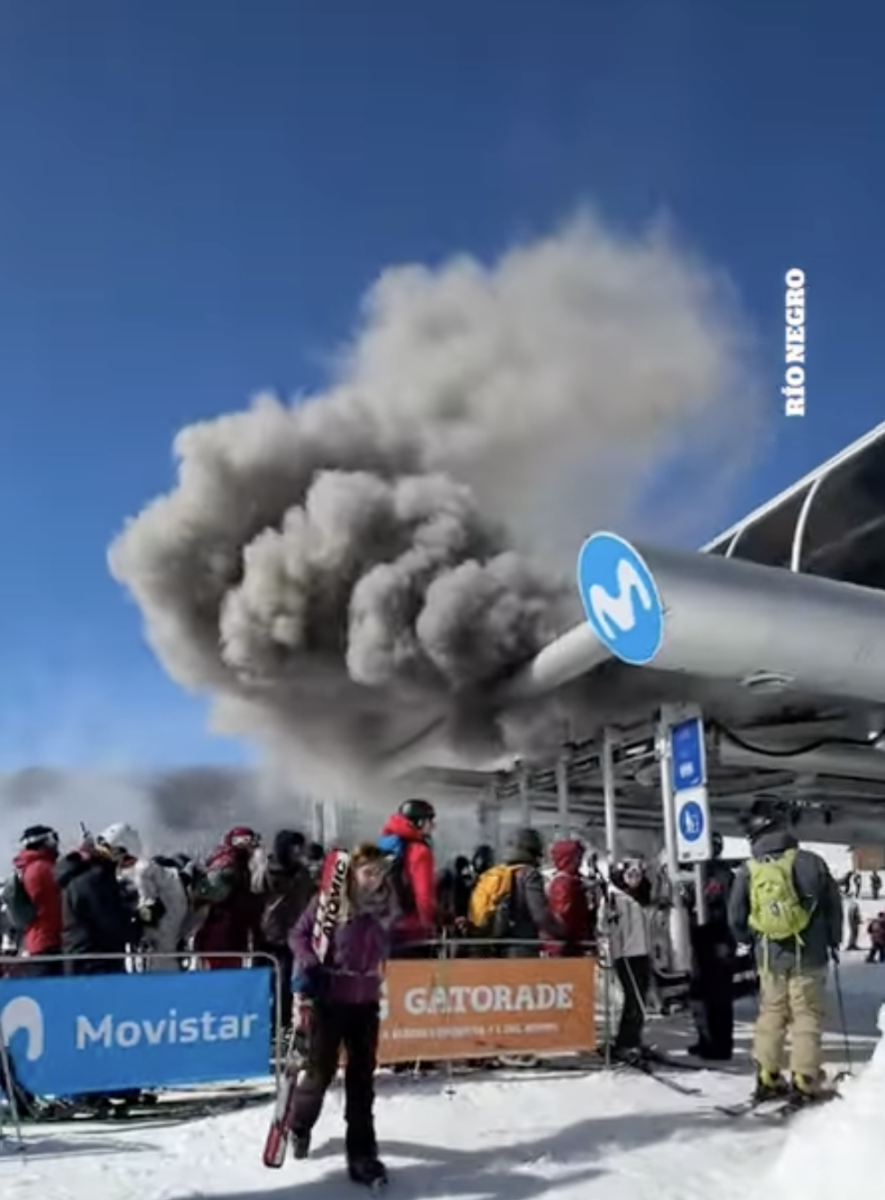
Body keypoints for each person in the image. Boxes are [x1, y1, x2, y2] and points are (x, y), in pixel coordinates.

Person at [287, 844, 396, 1189]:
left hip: (366, 1003)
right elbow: (298, 935)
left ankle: (363, 1156)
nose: (375, 879)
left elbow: (397, 939)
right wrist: (309, 961)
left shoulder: (386, 907)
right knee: (320, 1074)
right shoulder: (329, 904)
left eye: (380, 872)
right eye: (369, 872)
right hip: (329, 1001)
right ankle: (299, 1124)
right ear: (352, 873)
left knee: (362, 1081)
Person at [728, 799, 843, 1103]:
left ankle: (768, 1075)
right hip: (811, 954)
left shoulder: (749, 869)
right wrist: (834, 939)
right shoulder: (811, 861)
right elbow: (833, 906)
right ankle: (805, 1080)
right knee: (806, 1015)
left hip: (769, 955)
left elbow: (735, 916)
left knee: (772, 1013)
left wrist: (750, 938)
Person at [56, 824, 141, 975]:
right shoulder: (97, 881)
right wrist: (139, 923)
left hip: (83, 960)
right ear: (117, 851)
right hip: (94, 964)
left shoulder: (84, 874)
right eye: (127, 860)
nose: (124, 866)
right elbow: (111, 925)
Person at [688, 831, 736, 1061]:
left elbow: (731, 908)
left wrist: (731, 938)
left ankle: (720, 1044)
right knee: (700, 992)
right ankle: (706, 1039)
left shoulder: (722, 875)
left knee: (717, 994)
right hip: (701, 936)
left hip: (718, 936)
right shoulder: (696, 872)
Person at [193, 826, 265, 969]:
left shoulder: (239, 863)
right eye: (248, 841)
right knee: (223, 972)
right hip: (223, 930)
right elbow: (215, 895)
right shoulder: (229, 864)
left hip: (231, 930)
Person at [605, 860, 653, 1060]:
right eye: (630, 876)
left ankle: (634, 1038)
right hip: (626, 954)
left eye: (638, 876)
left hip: (642, 952)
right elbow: (606, 927)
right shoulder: (614, 898)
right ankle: (625, 1041)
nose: (635, 881)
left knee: (641, 997)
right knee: (632, 998)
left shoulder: (638, 897)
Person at [378, 799, 437, 957]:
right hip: (412, 929)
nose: (432, 826)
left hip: (384, 924)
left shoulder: (385, 845)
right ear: (417, 822)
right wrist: (428, 926)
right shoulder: (419, 851)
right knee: (416, 979)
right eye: (429, 820)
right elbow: (424, 894)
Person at [9, 825, 63, 975]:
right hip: (50, 940)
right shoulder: (42, 868)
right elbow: (56, 902)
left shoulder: (27, 867)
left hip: (36, 941)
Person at [545, 838, 593, 956]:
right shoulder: (564, 883)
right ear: (568, 858)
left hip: (570, 944)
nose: (580, 862)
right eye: (578, 857)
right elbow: (563, 916)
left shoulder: (569, 880)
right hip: (567, 947)